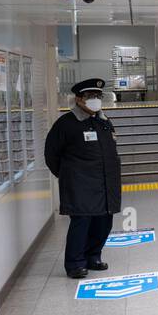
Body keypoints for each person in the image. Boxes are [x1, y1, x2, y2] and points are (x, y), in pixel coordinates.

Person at [44, 79, 122, 279]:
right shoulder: (66, 124)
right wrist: (68, 176)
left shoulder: (104, 122)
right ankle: (75, 263)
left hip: (105, 183)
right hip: (80, 184)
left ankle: (93, 256)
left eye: (97, 96)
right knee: (82, 222)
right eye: (89, 96)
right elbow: (51, 155)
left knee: (104, 222)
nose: (95, 100)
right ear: (78, 99)